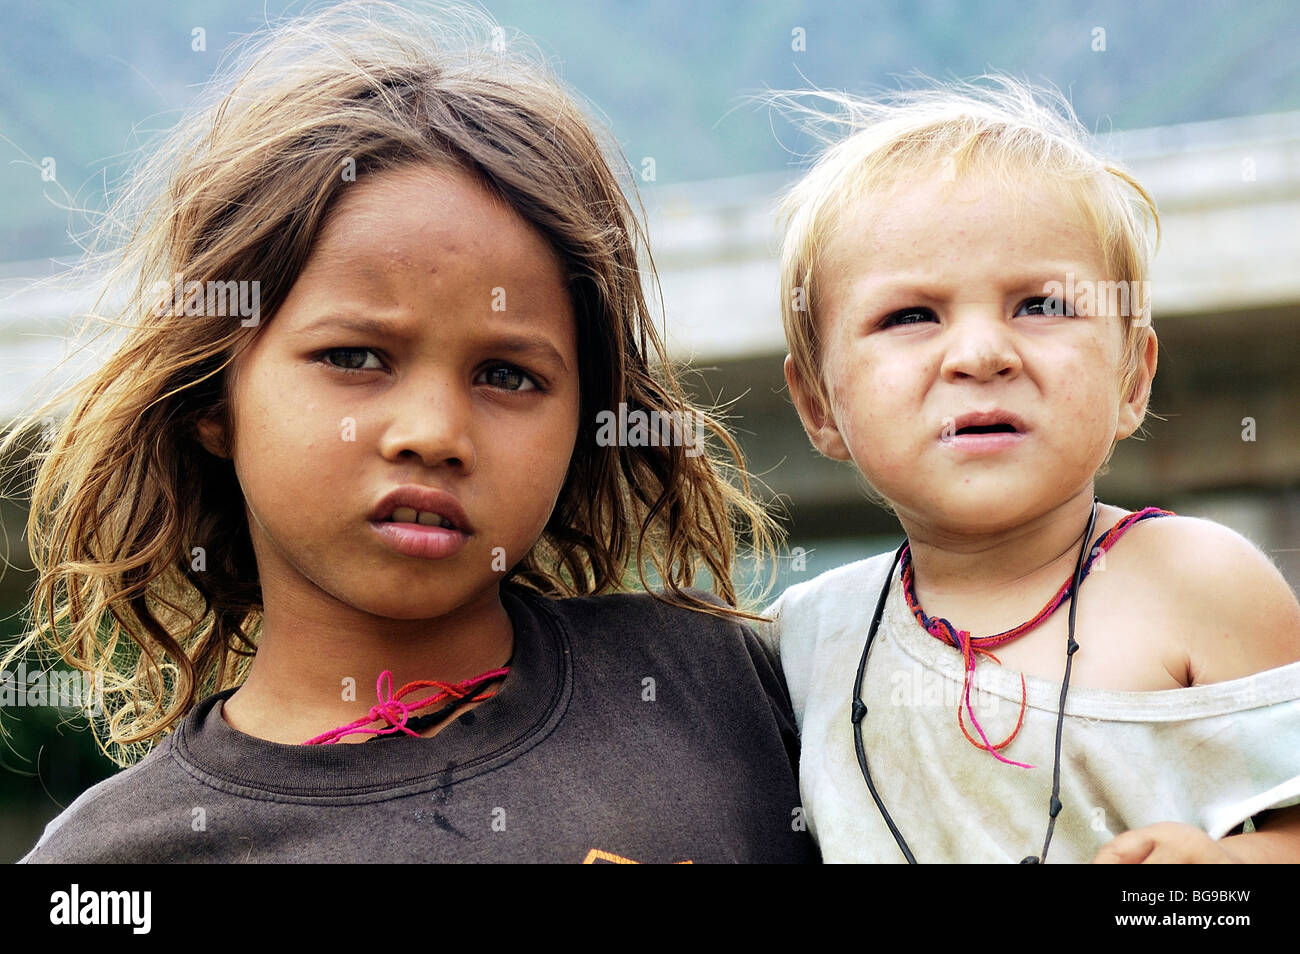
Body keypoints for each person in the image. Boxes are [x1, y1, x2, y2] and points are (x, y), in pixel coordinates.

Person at [7, 1, 815, 864]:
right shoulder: (115, 864)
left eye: (509, 375)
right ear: (213, 399)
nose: (433, 433)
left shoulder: (721, 686)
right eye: (355, 356)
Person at [761, 77, 1300, 863]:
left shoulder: (1198, 581)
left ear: (1133, 379)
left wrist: (1219, 873)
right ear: (818, 405)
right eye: (910, 316)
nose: (981, 354)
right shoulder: (806, 640)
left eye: (1041, 306)